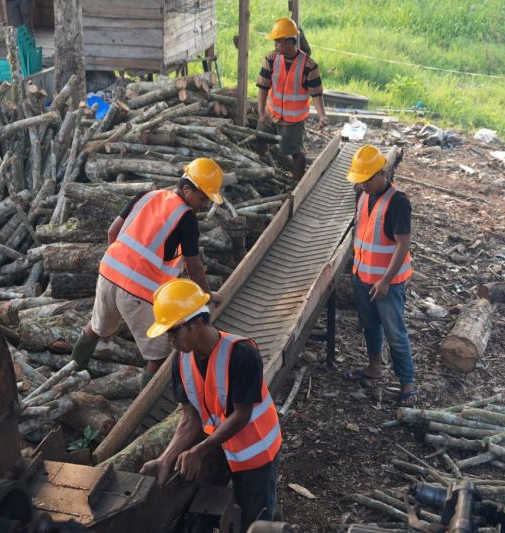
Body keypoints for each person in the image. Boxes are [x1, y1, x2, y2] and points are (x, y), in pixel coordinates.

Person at [70, 158, 226, 387]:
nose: (203, 205)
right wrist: (207, 296)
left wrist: (120, 265)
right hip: (138, 292)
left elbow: (113, 232)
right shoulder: (186, 218)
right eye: (202, 198)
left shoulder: (147, 195)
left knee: (95, 328)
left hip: (108, 275)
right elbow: (194, 267)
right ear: (186, 189)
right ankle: (145, 404)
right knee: (158, 354)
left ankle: (70, 376)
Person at [141, 279, 281, 532]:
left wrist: (200, 451)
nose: (170, 339)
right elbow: (190, 417)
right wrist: (166, 458)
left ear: (197, 323)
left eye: (173, 331)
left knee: (257, 520)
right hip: (221, 447)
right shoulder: (181, 361)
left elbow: (242, 415)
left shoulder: (242, 354)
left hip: (256, 451)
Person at [344, 145, 417, 406]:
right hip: (362, 276)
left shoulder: (398, 202)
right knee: (370, 324)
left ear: (381, 173)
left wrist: (385, 280)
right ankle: (374, 367)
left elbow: (403, 244)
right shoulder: (363, 195)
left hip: (388, 283)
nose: (363, 185)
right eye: (360, 180)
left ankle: (407, 384)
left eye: (367, 180)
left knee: (395, 332)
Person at [256, 17, 329, 182]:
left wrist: (322, 115)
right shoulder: (271, 59)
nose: (275, 45)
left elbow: (316, 93)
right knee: (260, 139)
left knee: (297, 153)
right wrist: (261, 111)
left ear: (290, 42)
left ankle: (297, 184)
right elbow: (263, 86)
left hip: (293, 120)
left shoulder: (309, 66)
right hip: (271, 112)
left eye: (279, 41)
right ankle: (263, 169)